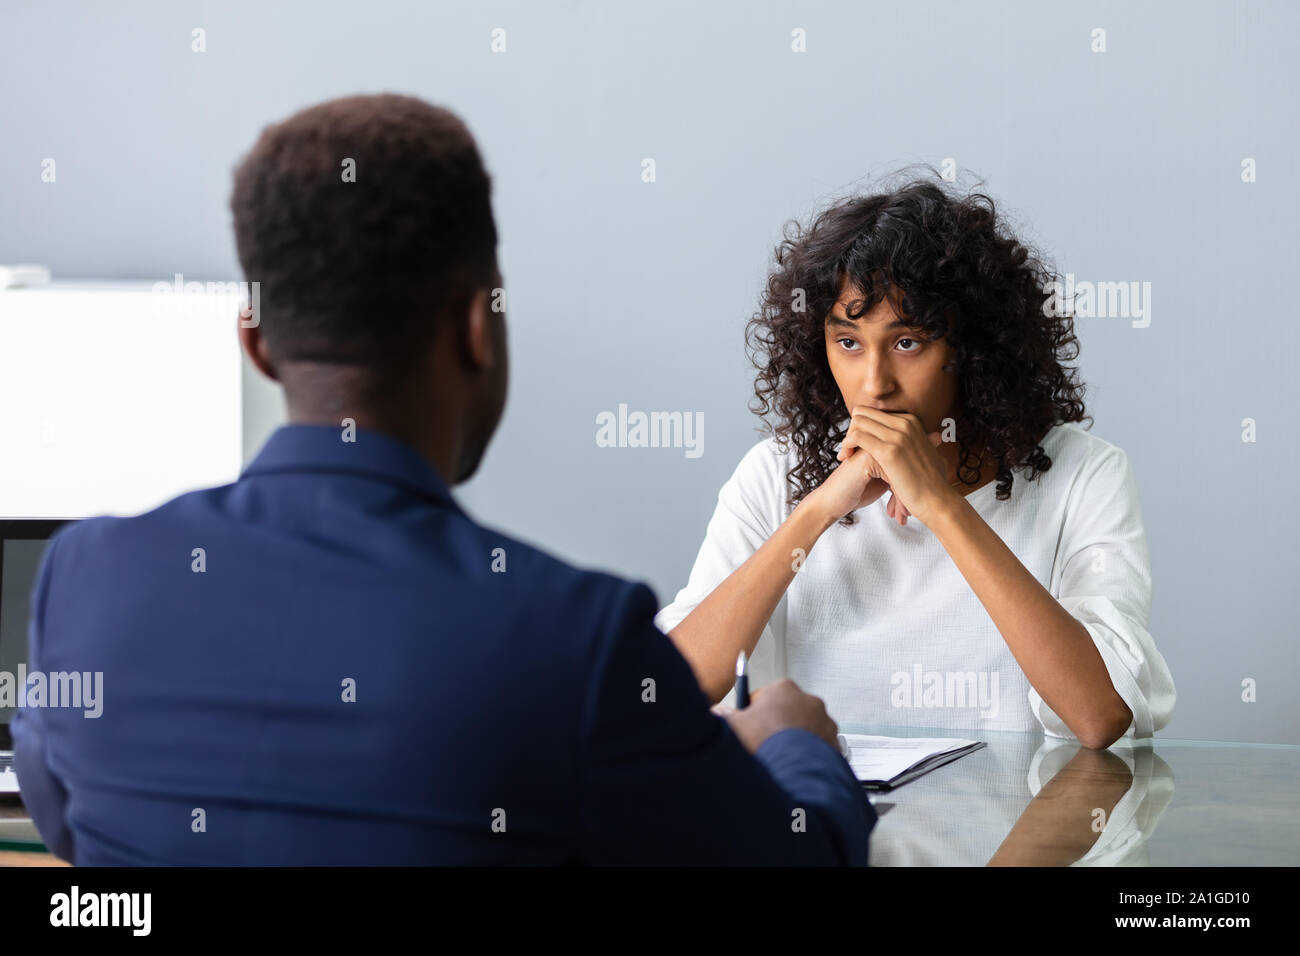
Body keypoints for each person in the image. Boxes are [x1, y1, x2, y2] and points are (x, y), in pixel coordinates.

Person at [12, 93, 874, 865]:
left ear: (257, 343)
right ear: (477, 327)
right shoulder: (575, 638)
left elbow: (63, 820)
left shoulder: (84, 576)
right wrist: (793, 745)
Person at [655, 178, 1175, 750]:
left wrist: (940, 505)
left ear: (972, 351)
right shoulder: (773, 474)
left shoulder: (1083, 475)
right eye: (848, 343)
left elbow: (1099, 715)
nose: (874, 384)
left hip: (1023, 831)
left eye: (908, 343)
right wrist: (819, 509)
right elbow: (670, 689)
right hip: (827, 830)